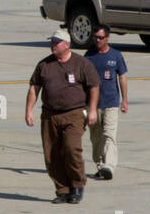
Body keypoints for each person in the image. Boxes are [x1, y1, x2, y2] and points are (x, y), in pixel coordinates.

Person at [26, 27, 99, 204]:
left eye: (56, 43)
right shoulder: (44, 65)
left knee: (71, 148)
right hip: (49, 114)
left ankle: (77, 185)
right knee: (51, 154)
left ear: (67, 44)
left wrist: (92, 109)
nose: (53, 46)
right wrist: (28, 110)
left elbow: (94, 86)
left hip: (73, 113)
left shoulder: (82, 64)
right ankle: (62, 190)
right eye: (52, 42)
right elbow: (34, 88)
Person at [84, 24, 128, 180]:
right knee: (96, 138)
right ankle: (100, 164)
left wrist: (124, 100)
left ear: (107, 38)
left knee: (109, 135)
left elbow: (122, 77)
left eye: (101, 37)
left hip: (111, 103)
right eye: (95, 37)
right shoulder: (89, 56)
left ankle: (109, 166)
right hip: (92, 105)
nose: (98, 40)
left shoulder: (116, 56)